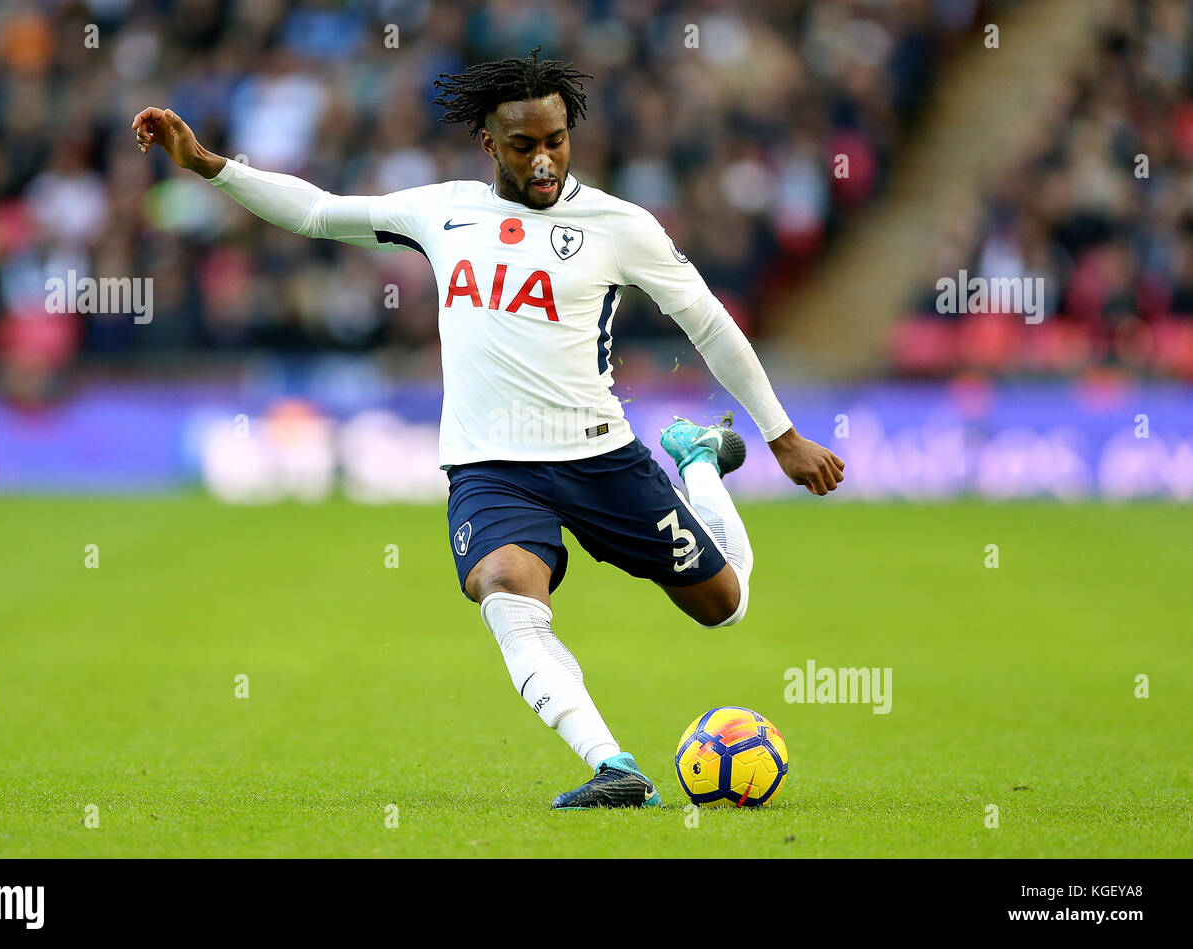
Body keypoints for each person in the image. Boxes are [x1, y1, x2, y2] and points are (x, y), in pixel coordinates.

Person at [133, 48, 844, 808]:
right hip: (490, 467)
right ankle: (614, 766)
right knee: (506, 589)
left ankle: (698, 459)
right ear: (489, 146)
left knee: (723, 605)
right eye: (524, 145)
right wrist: (210, 165)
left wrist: (780, 434)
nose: (545, 160)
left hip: (602, 457)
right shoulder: (442, 211)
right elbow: (316, 211)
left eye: (557, 141)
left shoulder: (618, 224)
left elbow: (709, 324)